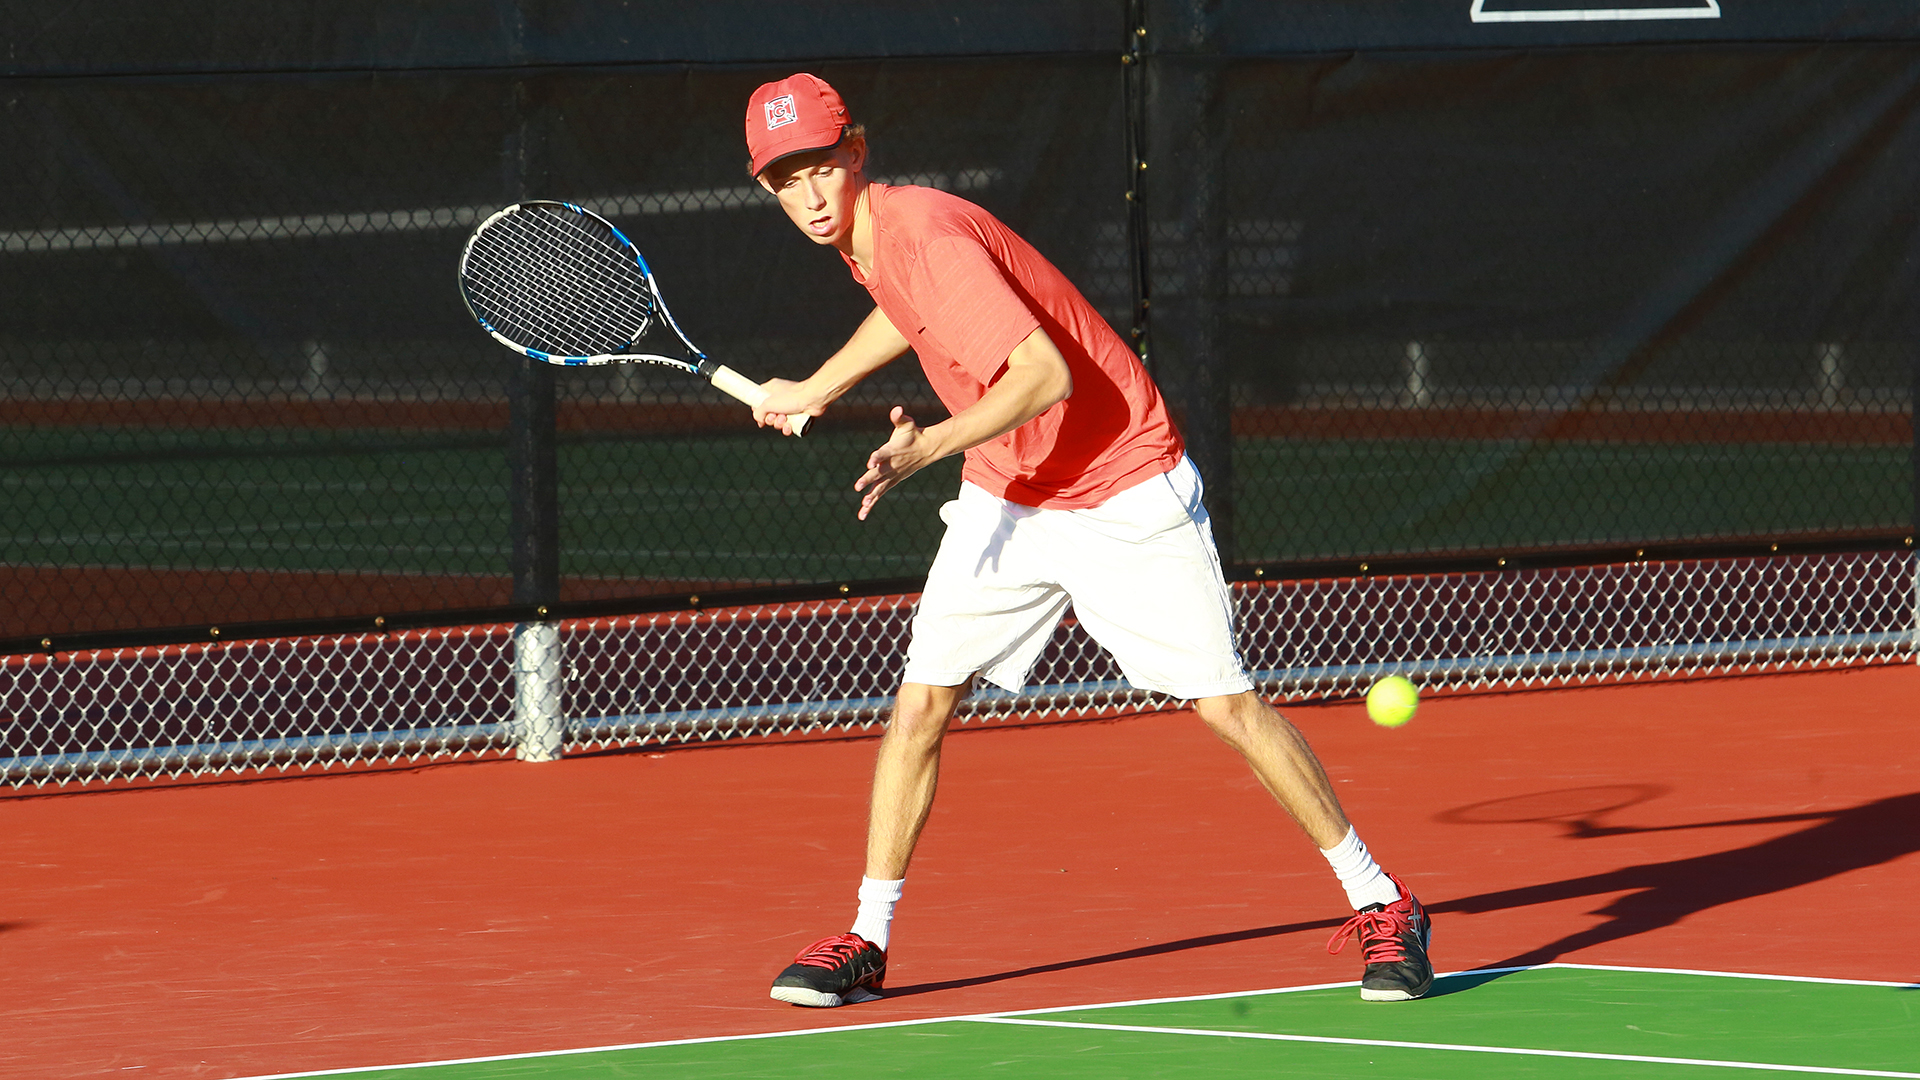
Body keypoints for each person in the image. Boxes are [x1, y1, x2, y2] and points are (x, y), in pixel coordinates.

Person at [741, 73, 1433, 1008]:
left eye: (823, 168)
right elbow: (909, 312)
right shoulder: (877, 239)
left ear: (857, 152)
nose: (812, 195)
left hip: (1120, 484)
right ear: (769, 188)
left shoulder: (924, 233)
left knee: (1227, 706)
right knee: (920, 705)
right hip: (1010, 493)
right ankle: (867, 936)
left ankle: (1382, 900)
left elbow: (1045, 373)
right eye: (788, 180)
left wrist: (931, 446)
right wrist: (819, 385)